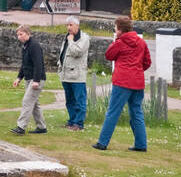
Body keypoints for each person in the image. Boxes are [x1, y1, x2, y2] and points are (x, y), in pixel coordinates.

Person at [93, 15, 151, 151]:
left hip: (123, 81)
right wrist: (136, 70)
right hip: (137, 81)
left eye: (115, 28)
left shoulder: (120, 42)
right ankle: (141, 145)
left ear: (119, 29)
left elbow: (109, 55)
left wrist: (115, 40)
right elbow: (147, 62)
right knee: (137, 112)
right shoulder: (141, 42)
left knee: (113, 112)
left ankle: (102, 142)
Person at [10, 25, 47, 135]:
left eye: (21, 34)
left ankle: (21, 127)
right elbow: (24, 64)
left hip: (37, 79)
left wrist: (36, 80)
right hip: (29, 78)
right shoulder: (25, 46)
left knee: (27, 101)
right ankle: (42, 127)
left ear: (28, 34)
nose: (19, 37)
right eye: (18, 35)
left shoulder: (34, 46)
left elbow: (38, 64)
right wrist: (19, 78)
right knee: (34, 104)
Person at [58, 17, 91, 130]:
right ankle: (72, 121)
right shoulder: (66, 37)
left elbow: (77, 52)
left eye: (71, 25)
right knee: (69, 101)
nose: (68, 28)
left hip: (77, 76)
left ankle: (78, 123)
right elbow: (63, 52)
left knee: (79, 101)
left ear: (77, 25)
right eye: (67, 25)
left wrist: (71, 41)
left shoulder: (84, 38)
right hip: (65, 74)